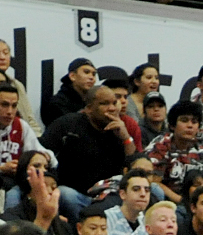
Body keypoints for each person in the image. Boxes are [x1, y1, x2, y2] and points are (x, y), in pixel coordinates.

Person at [41, 86, 135, 221]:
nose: (112, 108)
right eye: (105, 104)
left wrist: (125, 138)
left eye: (114, 103)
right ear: (89, 108)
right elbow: (42, 152)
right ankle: (84, 231)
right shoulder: (68, 124)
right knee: (65, 194)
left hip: (108, 196)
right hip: (76, 194)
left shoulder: (119, 130)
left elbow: (134, 166)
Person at [145, 101, 203, 204]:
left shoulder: (201, 151)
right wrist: (181, 201)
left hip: (196, 203)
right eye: (184, 121)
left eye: (194, 122)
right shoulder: (160, 147)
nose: (190, 126)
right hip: (166, 201)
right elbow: (154, 181)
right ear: (172, 125)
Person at [41, 58, 96, 126]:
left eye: (93, 74)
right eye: (86, 72)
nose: (91, 77)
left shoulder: (93, 102)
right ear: (72, 76)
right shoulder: (57, 103)